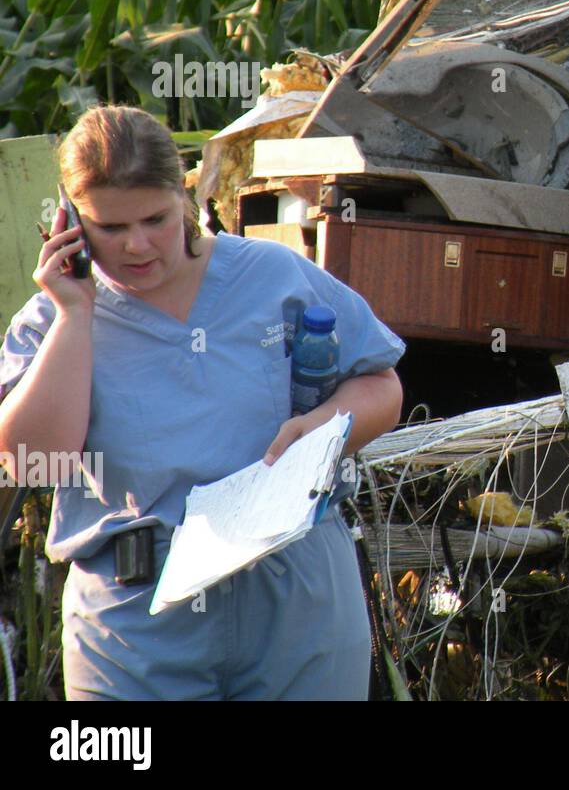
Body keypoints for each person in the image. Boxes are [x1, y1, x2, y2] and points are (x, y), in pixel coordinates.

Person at [0, 105, 406, 700]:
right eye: (110, 229)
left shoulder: (271, 275)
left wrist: (322, 427)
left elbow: (381, 384)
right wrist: (75, 314)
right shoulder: (51, 318)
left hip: (293, 592)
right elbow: (36, 459)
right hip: (138, 617)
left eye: (156, 219)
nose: (138, 245)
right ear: (68, 222)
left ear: (184, 197)